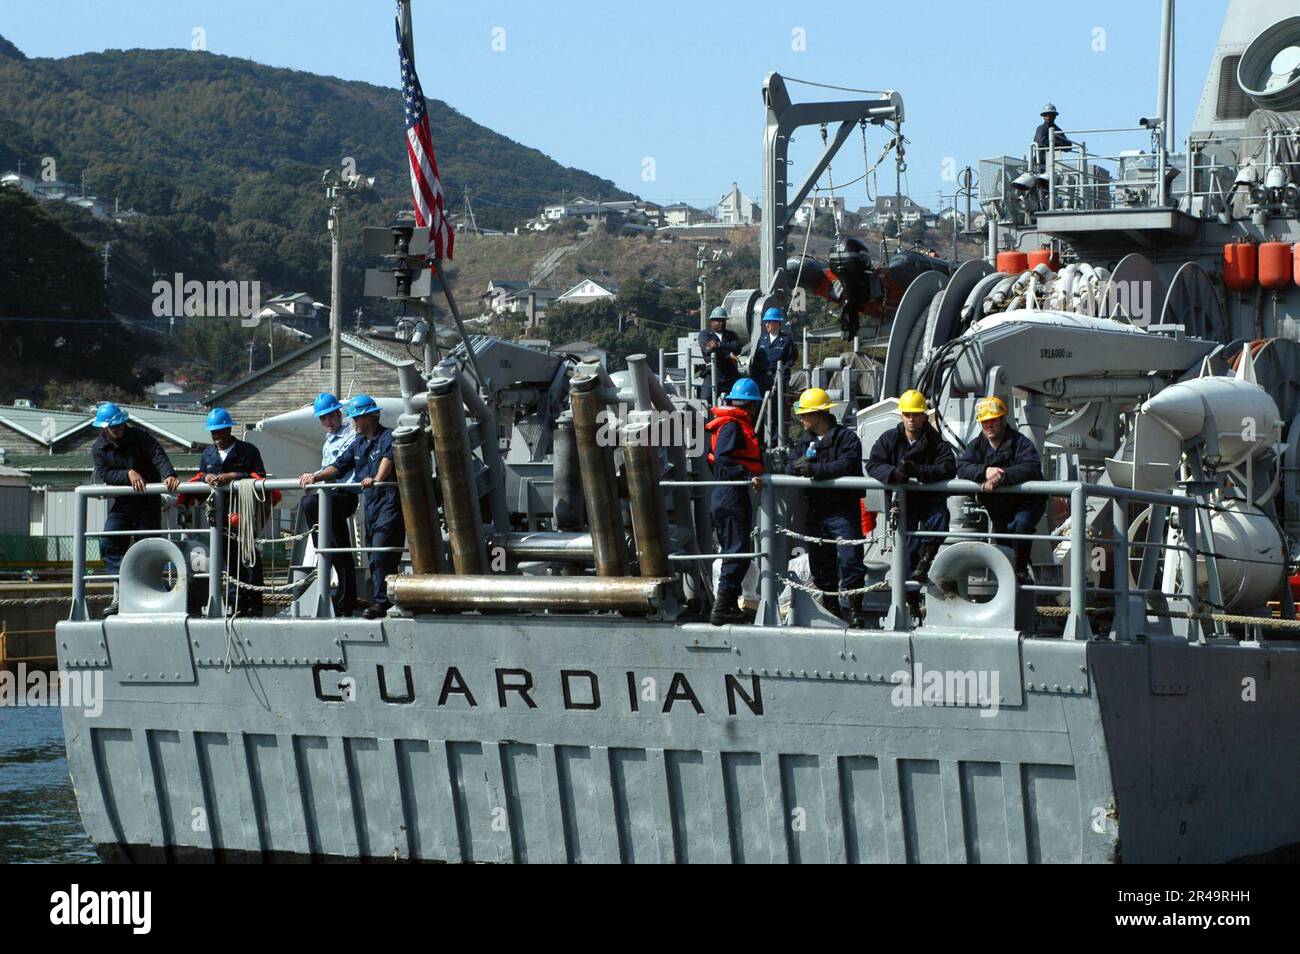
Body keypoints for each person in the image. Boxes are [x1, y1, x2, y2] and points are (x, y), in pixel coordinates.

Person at [313, 395, 404, 619]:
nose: (352, 422)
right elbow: (339, 466)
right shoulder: (358, 443)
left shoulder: (387, 436)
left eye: (356, 418)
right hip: (371, 505)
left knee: (383, 552)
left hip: (389, 502)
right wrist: (314, 477)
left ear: (369, 417)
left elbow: (387, 459)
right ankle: (380, 600)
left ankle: (383, 603)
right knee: (373, 553)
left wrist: (376, 478)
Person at [786, 387, 867, 626]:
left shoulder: (846, 439)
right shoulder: (805, 441)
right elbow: (790, 465)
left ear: (818, 415)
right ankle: (831, 609)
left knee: (850, 560)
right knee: (820, 564)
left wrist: (815, 470)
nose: (801, 419)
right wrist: (800, 465)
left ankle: (854, 610)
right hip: (816, 511)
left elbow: (847, 465)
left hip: (842, 511)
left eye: (805, 414)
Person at [90, 402, 180, 617]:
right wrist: (128, 473)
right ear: (105, 428)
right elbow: (106, 475)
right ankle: (121, 590)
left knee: (148, 546)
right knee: (110, 541)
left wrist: (168, 474)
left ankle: (153, 590)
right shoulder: (98, 448)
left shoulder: (140, 437)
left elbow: (157, 454)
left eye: (122, 424)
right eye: (115, 426)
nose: (120, 428)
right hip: (123, 502)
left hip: (147, 502)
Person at [866, 389, 956, 585]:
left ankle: (926, 560)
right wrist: (893, 474)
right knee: (907, 550)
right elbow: (873, 464)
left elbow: (948, 467)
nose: (911, 419)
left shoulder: (935, 442)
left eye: (916, 415)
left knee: (939, 520)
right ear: (901, 415)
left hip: (928, 500)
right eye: (907, 415)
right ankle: (911, 596)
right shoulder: (890, 439)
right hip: (902, 502)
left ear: (924, 416)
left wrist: (919, 471)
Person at [955, 396, 1044, 583]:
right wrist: (985, 471)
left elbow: (1031, 467)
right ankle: (1011, 578)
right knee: (1004, 540)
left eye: (993, 420)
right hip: (999, 505)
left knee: (1020, 527)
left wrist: (1002, 477)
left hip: (1026, 503)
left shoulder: (1020, 443)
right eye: (985, 421)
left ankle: (1020, 572)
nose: (989, 425)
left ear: (1003, 419)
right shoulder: (977, 445)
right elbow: (962, 466)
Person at [703, 378, 764, 626]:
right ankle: (723, 606)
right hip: (731, 494)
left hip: (728, 493)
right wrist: (748, 474)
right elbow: (722, 459)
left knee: (737, 550)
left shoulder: (730, 424)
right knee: (736, 551)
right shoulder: (732, 427)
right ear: (749, 405)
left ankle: (727, 603)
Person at [198, 407, 267, 616]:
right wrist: (206, 478)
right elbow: (201, 473)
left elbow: (259, 476)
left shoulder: (248, 450)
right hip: (219, 515)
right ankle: (235, 603)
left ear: (229, 429)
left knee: (249, 557)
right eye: (213, 432)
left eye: (220, 431)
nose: (217, 436)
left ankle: (254, 603)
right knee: (228, 559)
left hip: (243, 512)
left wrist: (233, 476)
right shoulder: (208, 453)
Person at [297, 393, 359, 617]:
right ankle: (344, 601)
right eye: (323, 419)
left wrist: (314, 476)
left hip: (343, 495)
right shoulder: (328, 441)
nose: (328, 422)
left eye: (331, 416)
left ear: (338, 413)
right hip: (329, 497)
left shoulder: (350, 435)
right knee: (339, 549)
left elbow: (340, 466)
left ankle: (320, 542)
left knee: (310, 501)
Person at [749, 306, 797, 398]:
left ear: (777, 323)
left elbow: (791, 360)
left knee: (776, 407)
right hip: (762, 380)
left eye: (769, 322)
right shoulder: (762, 339)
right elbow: (756, 360)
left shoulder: (786, 340)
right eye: (766, 322)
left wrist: (781, 376)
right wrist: (755, 378)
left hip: (778, 381)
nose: (767, 324)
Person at [697, 306, 741, 405]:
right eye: (717, 321)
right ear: (711, 322)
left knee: (737, 400)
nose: (721, 323)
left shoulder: (731, 335)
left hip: (730, 374)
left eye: (723, 320)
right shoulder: (705, 335)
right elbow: (708, 350)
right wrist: (728, 354)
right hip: (713, 373)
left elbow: (737, 348)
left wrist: (720, 344)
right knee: (705, 401)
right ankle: (706, 419)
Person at [1032, 103, 1073, 172]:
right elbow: (1042, 142)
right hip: (1040, 163)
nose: (1048, 117)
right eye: (1046, 115)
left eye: (1051, 115)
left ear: (1055, 116)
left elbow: (1069, 145)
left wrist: (1056, 144)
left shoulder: (1058, 131)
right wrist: (1058, 144)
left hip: (1055, 164)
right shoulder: (1041, 129)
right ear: (1043, 116)